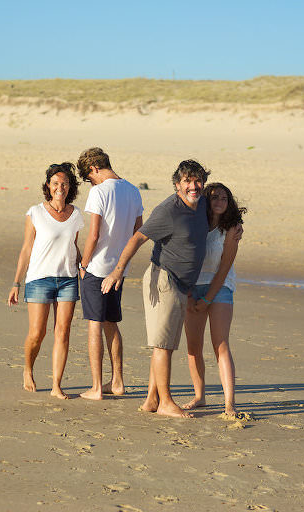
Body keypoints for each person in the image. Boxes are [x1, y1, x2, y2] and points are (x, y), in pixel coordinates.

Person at [102, 160, 211, 418]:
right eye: (187, 181)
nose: (193, 186)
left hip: (183, 284)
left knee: (166, 343)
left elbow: (223, 207)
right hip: (164, 279)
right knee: (164, 346)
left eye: (197, 181)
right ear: (177, 185)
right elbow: (138, 237)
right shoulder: (168, 211)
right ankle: (166, 402)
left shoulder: (203, 203)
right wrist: (118, 270)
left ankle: (152, 399)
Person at [7, 162, 84, 399]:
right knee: (37, 333)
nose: (60, 187)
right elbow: (26, 249)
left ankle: (56, 386)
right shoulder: (36, 212)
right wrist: (16, 282)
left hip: (68, 279)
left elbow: (73, 246)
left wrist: (84, 267)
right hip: (40, 279)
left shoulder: (76, 214)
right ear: (48, 186)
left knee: (63, 332)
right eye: (55, 183)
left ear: (69, 187)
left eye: (64, 183)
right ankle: (28, 369)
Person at [75, 147, 143, 400]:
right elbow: (139, 231)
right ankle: (117, 382)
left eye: (87, 177)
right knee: (111, 324)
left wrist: (83, 263)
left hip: (97, 268)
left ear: (93, 169)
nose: (89, 181)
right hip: (118, 269)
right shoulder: (133, 190)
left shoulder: (99, 192)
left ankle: (95, 387)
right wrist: (122, 263)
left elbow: (93, 234)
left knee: (95, 325)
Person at [182, 183, 246, 417]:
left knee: (220, 344)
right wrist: (189, 294)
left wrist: (207, 299)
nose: (219, 201)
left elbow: (224, 267)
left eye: (224, 198)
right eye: (214, 197)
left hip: (220, 288)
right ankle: (200, 396)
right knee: (193, 346)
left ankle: (230, 403)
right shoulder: (194, 225)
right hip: (192, 287)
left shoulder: (231, 229)